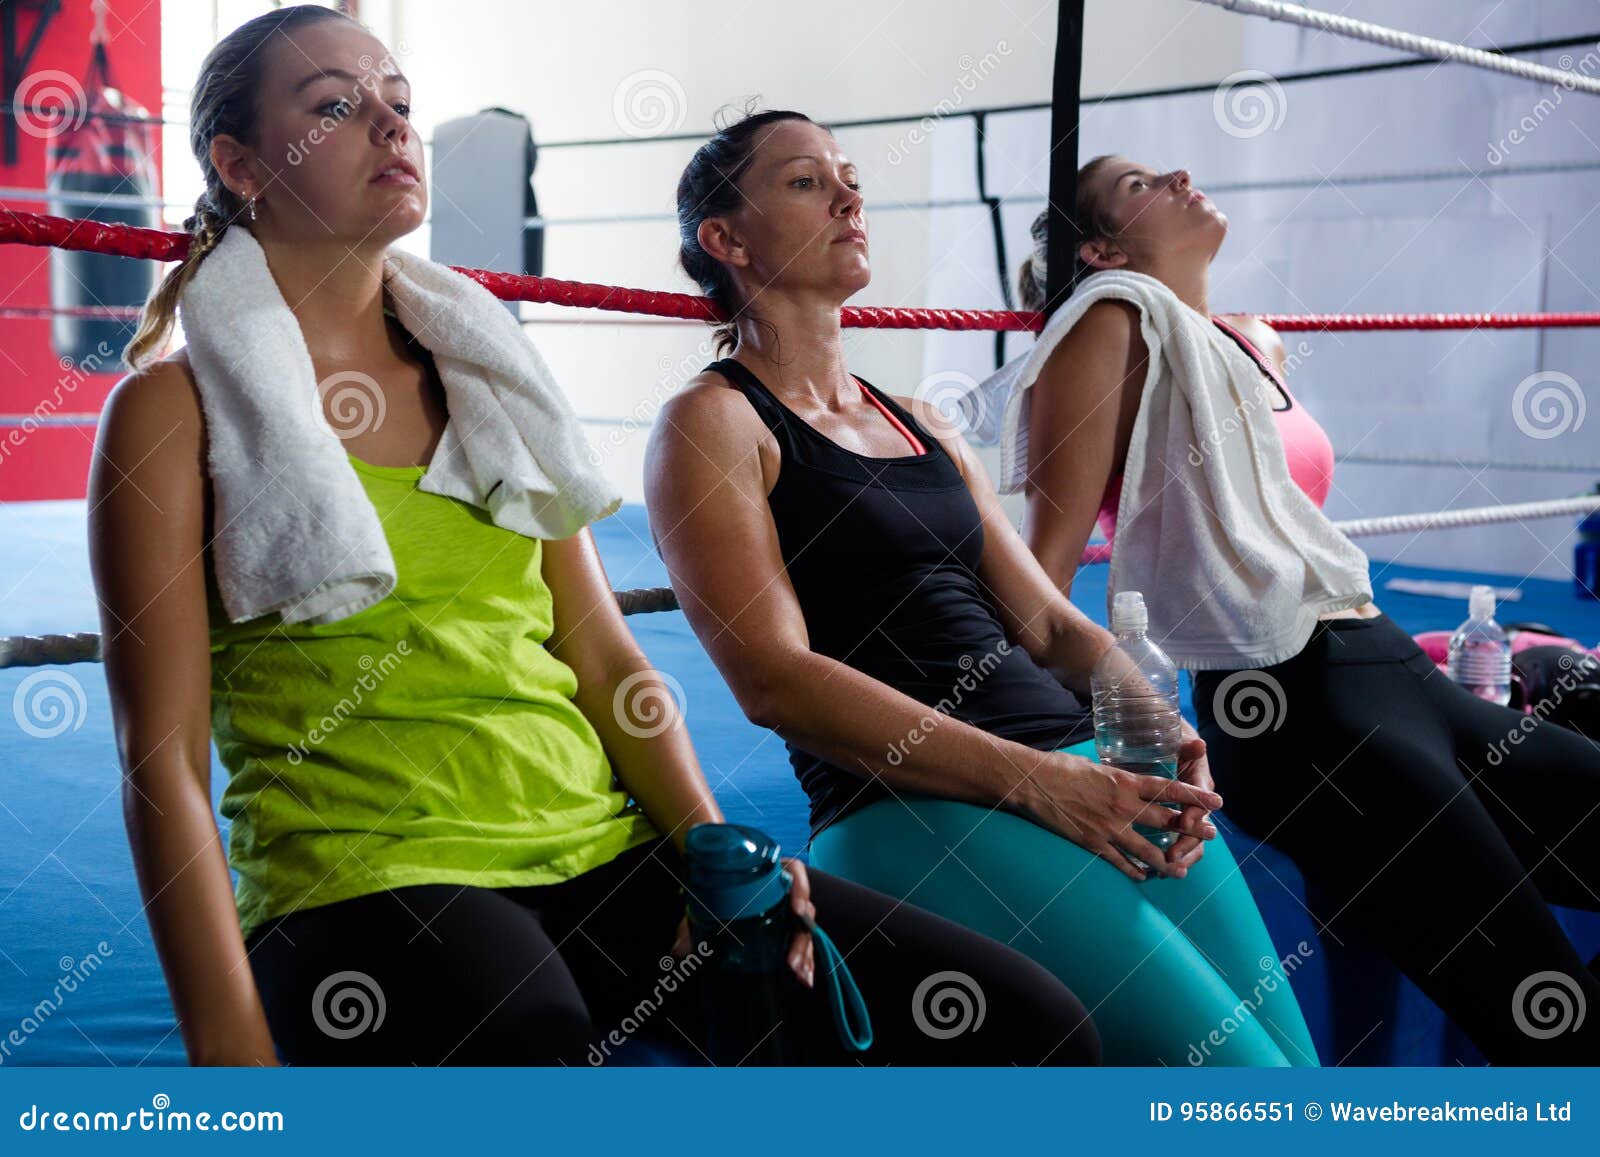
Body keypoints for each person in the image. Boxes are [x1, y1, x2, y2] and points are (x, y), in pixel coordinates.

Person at [88, 6, 1100, 1067]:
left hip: (600, 852)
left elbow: (603, 652)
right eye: (335, 106)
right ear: (241, 161)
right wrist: (232, 1053)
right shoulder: (174, 411)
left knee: (1030, 1022)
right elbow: (158, 753)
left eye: (399, 103)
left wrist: (716, 848)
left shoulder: (482, 376)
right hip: (363, 875)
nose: (390, 126)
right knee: (533, 1032)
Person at [644, 109, 1319, 1066]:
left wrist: (1158, 722)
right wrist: (1044, 785)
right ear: (726, 238)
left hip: (1081, 762)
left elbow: (1044, 619)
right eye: (804, 182)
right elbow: (772, 677)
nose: (849, 195)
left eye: (849, 174)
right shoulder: (713, 423)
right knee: (1238, 1076)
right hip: (914, 803)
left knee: (1295, 1067)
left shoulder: (923, 422)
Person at [1003, 154, 1600, 1064]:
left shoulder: (1249, 342)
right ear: (1100, 250)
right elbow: (1041, 573)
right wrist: (1033, 758)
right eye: (1137, 187)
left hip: (1389, 664)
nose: (1177, 173)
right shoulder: (1110, 322)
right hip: (1298, 709)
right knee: (1551, 1015)